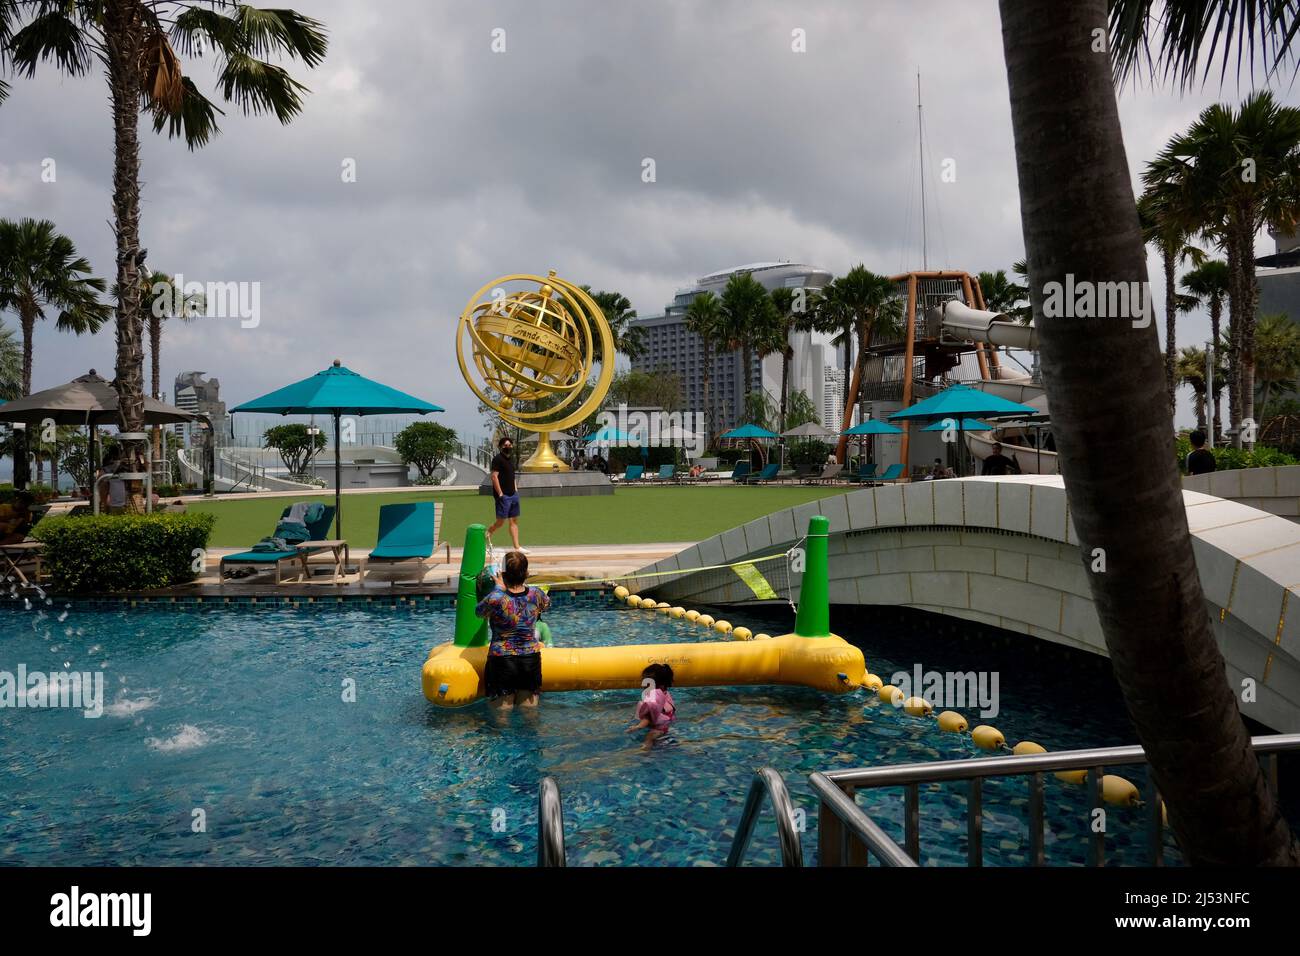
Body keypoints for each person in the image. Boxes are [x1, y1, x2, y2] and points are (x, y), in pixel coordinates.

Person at [475, 550, 550, 711]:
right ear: (527, 573)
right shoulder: (536, 594)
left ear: (502, 574)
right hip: (530, 657)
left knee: (502, 713)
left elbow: (478, 612)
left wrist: (497, 589)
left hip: (502, 659)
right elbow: (546, 605)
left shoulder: (495, 598)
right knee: (529, 710)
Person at [486, 436, 525, 555]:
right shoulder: (497, 459)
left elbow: (512, 476)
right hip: (503, 497)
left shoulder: (510, 459)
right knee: (500, 522)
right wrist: (500, 494)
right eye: (505, 445)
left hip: (513, 495)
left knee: (513, 521)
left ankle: (517, 547)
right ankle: (486, 535)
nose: (508, 447)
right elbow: (494, 477)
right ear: (501, 447)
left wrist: (516, 490)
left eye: (509, 445)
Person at [627, 663, 676, 750]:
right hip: (667, 724)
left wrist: (638, 727)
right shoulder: (665, 694)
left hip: (658, 728)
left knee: (649, 738)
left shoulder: (653, 697)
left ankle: (644, 753)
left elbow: (647, 718)